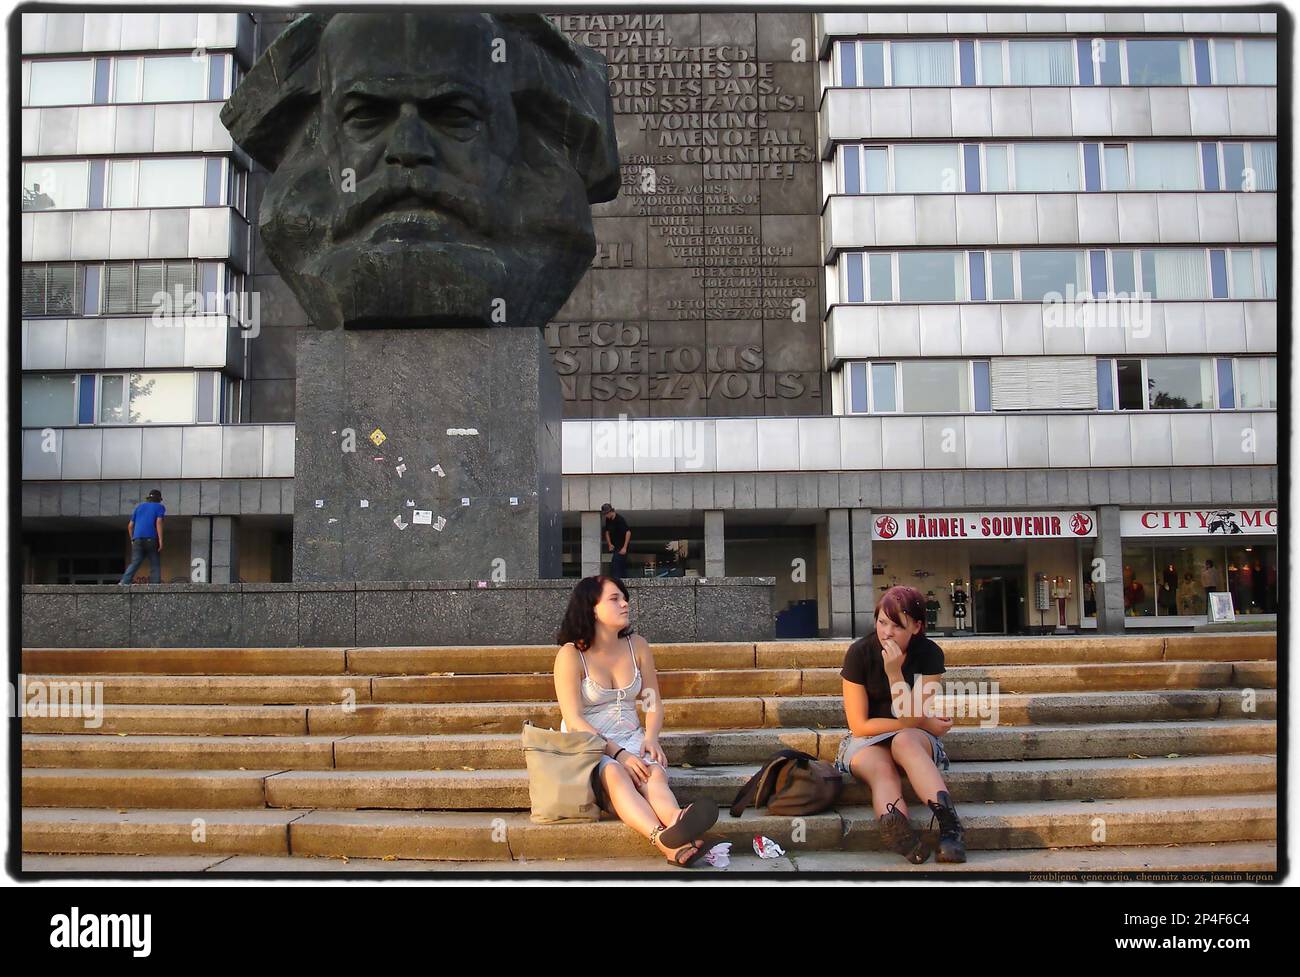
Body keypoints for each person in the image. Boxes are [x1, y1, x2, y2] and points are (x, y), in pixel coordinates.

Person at [553, 575, 720, 867]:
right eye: (614, 598)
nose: (625, 603)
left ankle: (677, 820)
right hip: (590, 744)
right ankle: (663, 841)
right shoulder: (570, 655)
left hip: (632, 735)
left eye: (624, 597)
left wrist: (651, 737)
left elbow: (651, 701)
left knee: (653, 774)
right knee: (617, 773)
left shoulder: (637, 646)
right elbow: (574, 719)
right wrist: (619, 753)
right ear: (592, 608)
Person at [837, 585, 965, 863]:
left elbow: (909, 718)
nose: (887, 633)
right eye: (882, 622)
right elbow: (859, 725)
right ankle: (902, 835)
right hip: (866, 740)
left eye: (897, 626)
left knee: (905, 740)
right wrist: (926, 721)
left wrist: (895, 675)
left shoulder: (930, 654)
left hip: (911, 735)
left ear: (917, 627)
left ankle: (950, 829)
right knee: (882, 769)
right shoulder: (859, 653)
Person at [118, 489, 166, 585]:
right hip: (151, 538)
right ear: (159, 499)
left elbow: (130, 526)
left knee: (135, 562)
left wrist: (133, 539)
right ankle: (155, 585)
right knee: (154, 562)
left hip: (137, 539)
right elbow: (158, 522)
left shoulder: (139, 507)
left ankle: (124, 582)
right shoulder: (160, 507)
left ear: (149, 499)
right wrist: (160, 540)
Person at [600, 503, 631, 580]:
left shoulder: (620, 519)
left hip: (622, 547)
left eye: (606, 514)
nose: (605, 516)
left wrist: (624, 548)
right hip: (615, 547)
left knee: (616, 564)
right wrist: (609, 544)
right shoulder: (608, 519)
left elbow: (628, 532)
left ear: (610, 512)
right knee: (620, 566)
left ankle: (616, 581)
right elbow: (607, 532)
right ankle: (623, 582)